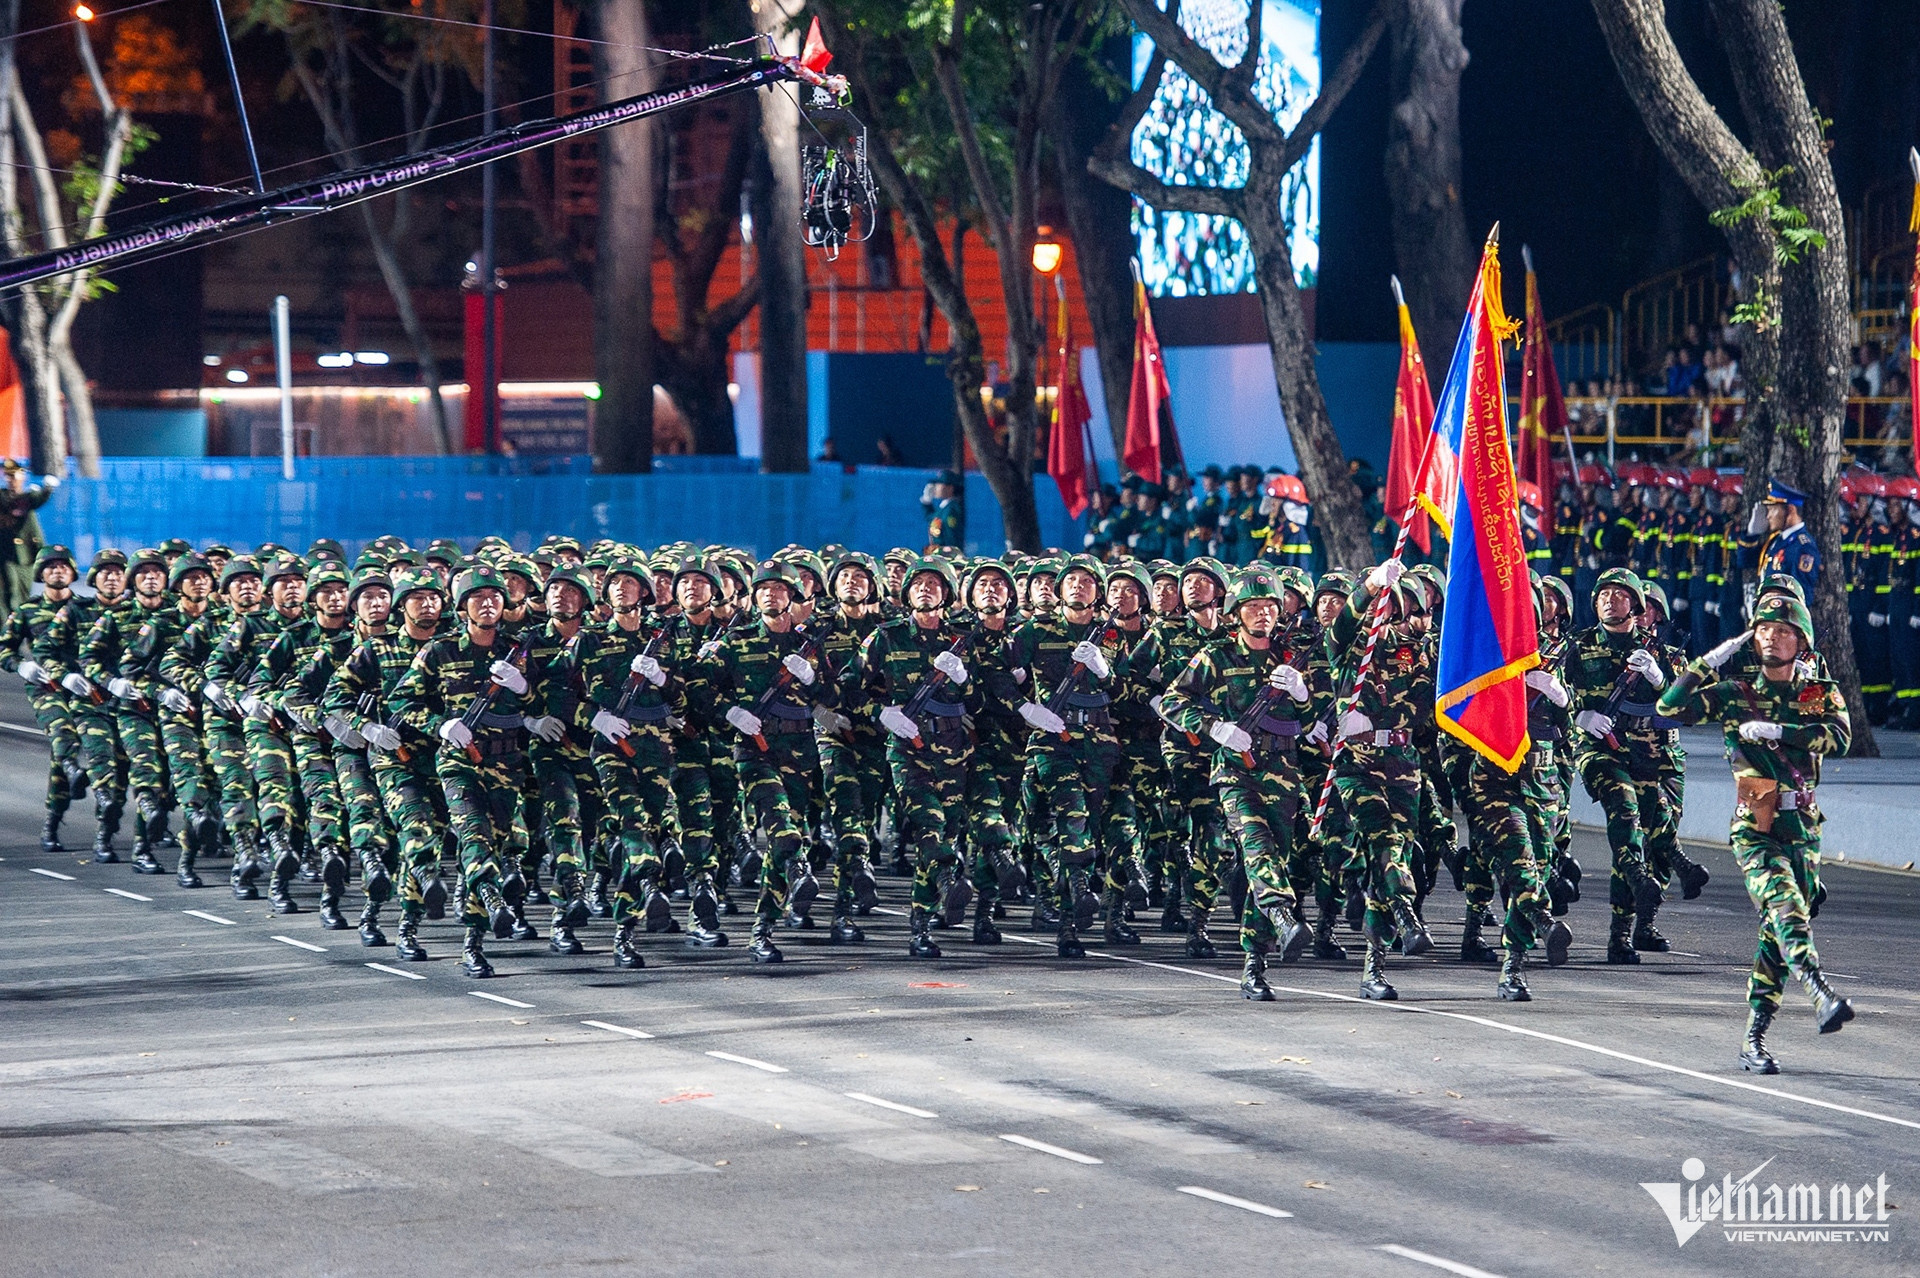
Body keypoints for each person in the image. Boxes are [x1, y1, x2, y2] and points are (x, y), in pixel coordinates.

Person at [1658, 595, 1854, 1073]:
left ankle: (1754, 1037)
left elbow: (1841, 737)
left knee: (1776, 935)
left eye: (1784, 629)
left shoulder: (1817, 692)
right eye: (1764, 628)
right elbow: (1668, 707)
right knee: (1786, 909)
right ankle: (1818, 989)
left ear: (1801, 640)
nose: (1772, 635)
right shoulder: (1733, 692)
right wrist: (1710, 661)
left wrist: (1780, 729)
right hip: (1756, 828)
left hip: (1803, 829)